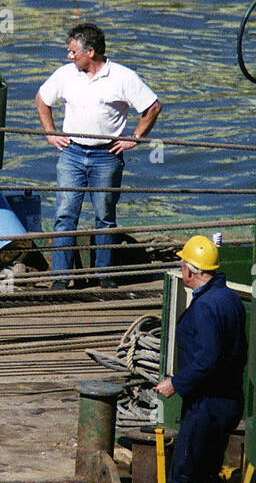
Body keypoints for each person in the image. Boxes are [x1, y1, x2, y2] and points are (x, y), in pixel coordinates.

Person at [35, 23, 161, 290]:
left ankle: (105, 275)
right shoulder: (65, 75)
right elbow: (42, 99)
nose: (69, 56)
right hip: (71, 151)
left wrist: (135, 138)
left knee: (104, 215)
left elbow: (152, 106)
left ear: (90, 52)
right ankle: (60, 278)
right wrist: (50, 132)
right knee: (65, 214)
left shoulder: (123, 78)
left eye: (73, 52)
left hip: (107, 154)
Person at [155, 235, 247, 483]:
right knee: (204, 474)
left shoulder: (207, 307)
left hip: (207, 405)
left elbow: (207, 359)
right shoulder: (229, 299)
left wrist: (175, 383)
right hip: (226, 402)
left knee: (184, 477)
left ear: (191, 271)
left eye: (183, 266)